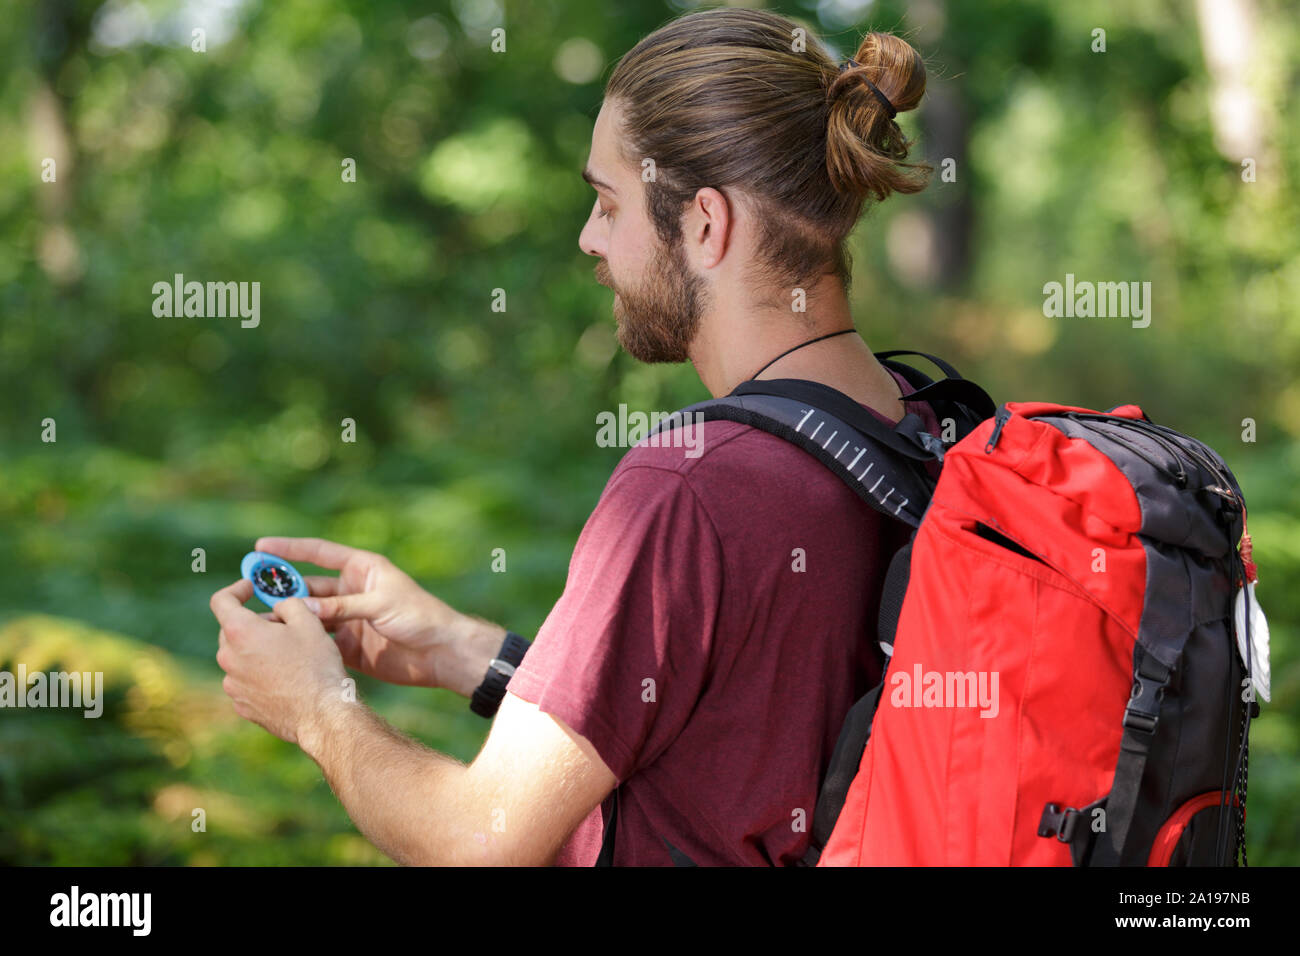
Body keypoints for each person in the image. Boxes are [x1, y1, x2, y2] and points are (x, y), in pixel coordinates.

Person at [210, 8, 941, 866]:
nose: (589, 238)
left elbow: (478, 841)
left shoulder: (690, 488)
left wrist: (316, 709)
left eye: (608, 203)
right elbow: (717, 740)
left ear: (705, 224)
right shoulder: (922, 429)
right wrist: (461, 650)